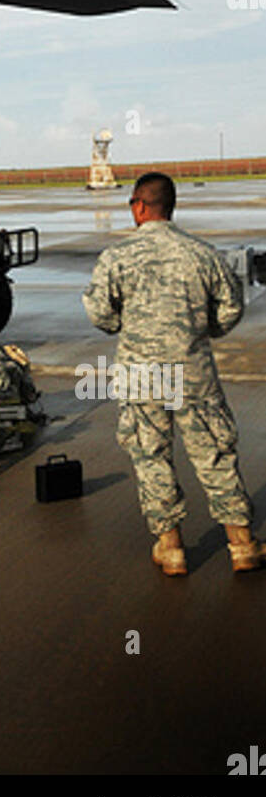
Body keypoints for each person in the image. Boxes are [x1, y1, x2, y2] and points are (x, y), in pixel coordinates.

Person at [82, 171, 263, 576]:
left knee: (151, 454)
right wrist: (201, 332)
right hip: (193, 370)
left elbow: (98, 312)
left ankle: (172, 547)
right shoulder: (202, 253)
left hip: (141, 373)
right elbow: (231, 307)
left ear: (140, 206)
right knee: (214, 451)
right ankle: (242, 544)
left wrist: (125, 328)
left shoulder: (117, 256)